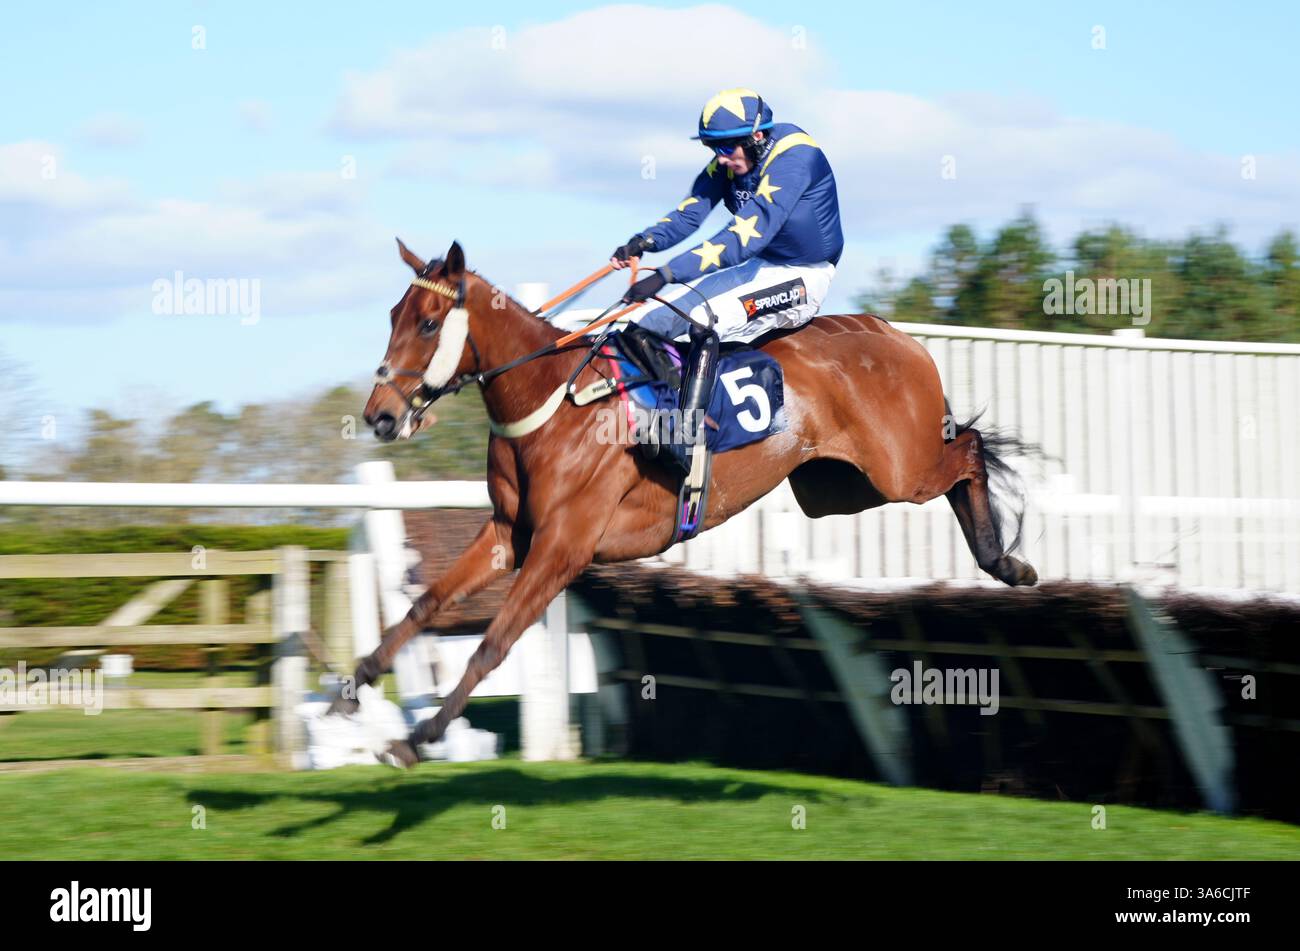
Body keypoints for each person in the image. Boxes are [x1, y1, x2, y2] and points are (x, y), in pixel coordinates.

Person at [610, 88, 844, 483]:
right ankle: (655, 417)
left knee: (703, 319)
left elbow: (741, 239)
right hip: (763, 265)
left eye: (725, 148)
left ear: (757, 137)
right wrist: (643, 243)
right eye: (711, 148)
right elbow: (689, 215)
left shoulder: (795, 159)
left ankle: (687, 441)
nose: (719, 159)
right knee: (653, 321)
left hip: (805, 275)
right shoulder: (729, 160)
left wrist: (665, 274)